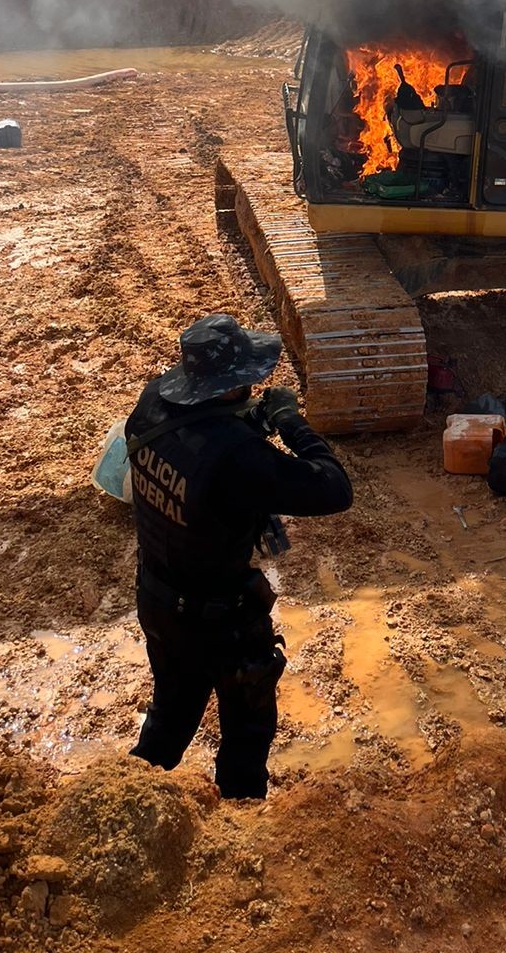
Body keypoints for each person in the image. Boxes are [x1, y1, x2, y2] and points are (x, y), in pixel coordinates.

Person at [124, 312, 352, 799]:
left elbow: (195, 439)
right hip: (220, 624)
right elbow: (333, 488)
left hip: (159, 600)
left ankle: (127, 801)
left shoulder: (149, 406)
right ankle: (242, 828)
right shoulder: (239, 462)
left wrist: (247, 422)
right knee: (247, 736)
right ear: (232, 385)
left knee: (170, 717)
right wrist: (291, 423)